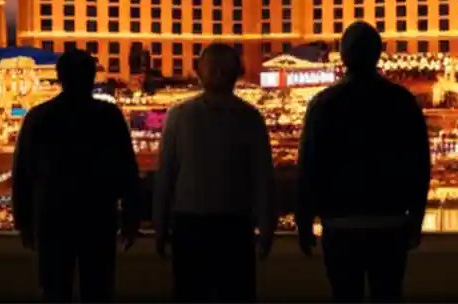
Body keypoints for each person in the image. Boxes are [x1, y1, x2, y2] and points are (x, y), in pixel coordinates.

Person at [297, 22, 431, 303]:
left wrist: (305, 220)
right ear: (378, 53)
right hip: (390, 222)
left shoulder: (323, 104)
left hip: (340, 224)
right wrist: (416, 216)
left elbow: (309, 165)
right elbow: (419, 164)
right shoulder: (402, 101)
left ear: (343, 55)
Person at [12, 47, 140, 302]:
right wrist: (130, 219)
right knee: (98, 290)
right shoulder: (109, 116)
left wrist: (24, 223)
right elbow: (127, 170)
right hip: (98, 216)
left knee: (55, 290)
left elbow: (23, 173)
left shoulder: (39, 117)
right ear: (92, 78)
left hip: (52, 217)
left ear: (60, 77)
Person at [154, 43, 276, 302]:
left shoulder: (178, 116)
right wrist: (267, 228)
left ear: (199, 72)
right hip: (235, 226)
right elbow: (263, 178)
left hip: (190, 225)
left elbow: (165, 177)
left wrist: (159, 226)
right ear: (238, 73)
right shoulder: (250, 118)